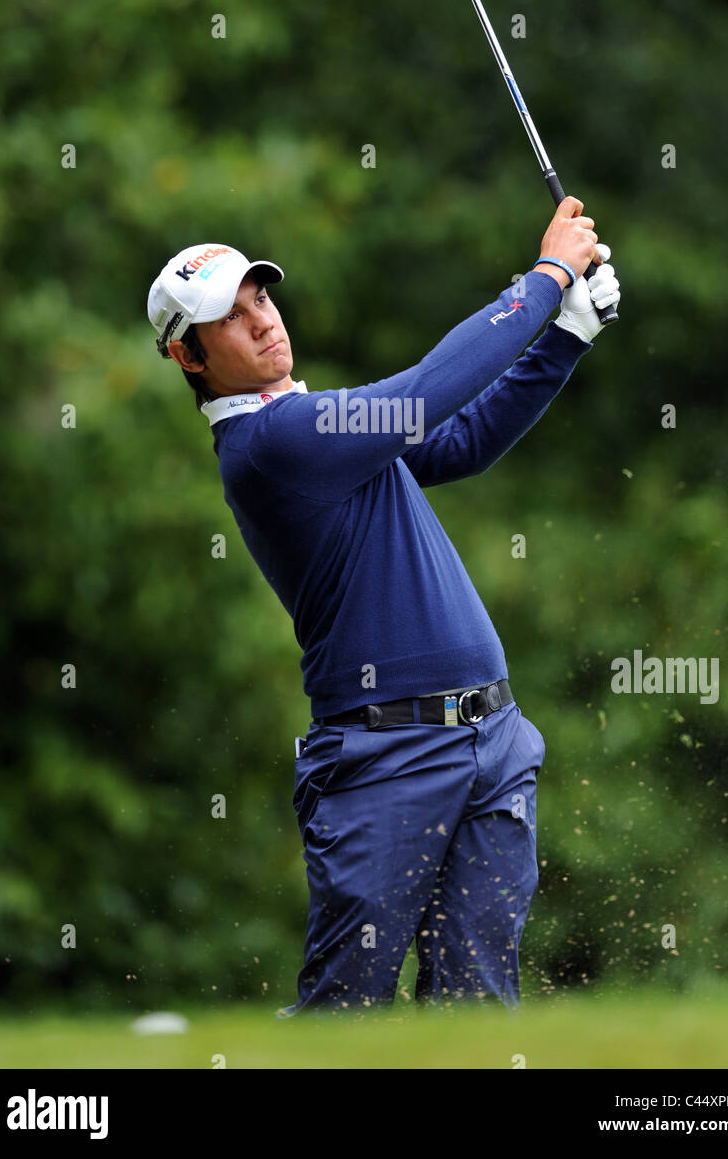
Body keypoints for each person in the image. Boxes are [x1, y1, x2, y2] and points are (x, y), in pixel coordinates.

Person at [146, 196, 620, 1013]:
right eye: (231, 316)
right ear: (191, 358)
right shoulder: (275, 444)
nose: (263, 321)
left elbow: (463, 440)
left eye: (262, 297)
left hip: (493, 744)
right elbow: (427, 391)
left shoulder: (319, 428)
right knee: (346, 1012)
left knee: (476, 1014)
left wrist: (569, 332)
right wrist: (547, 277)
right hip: (384, 761)